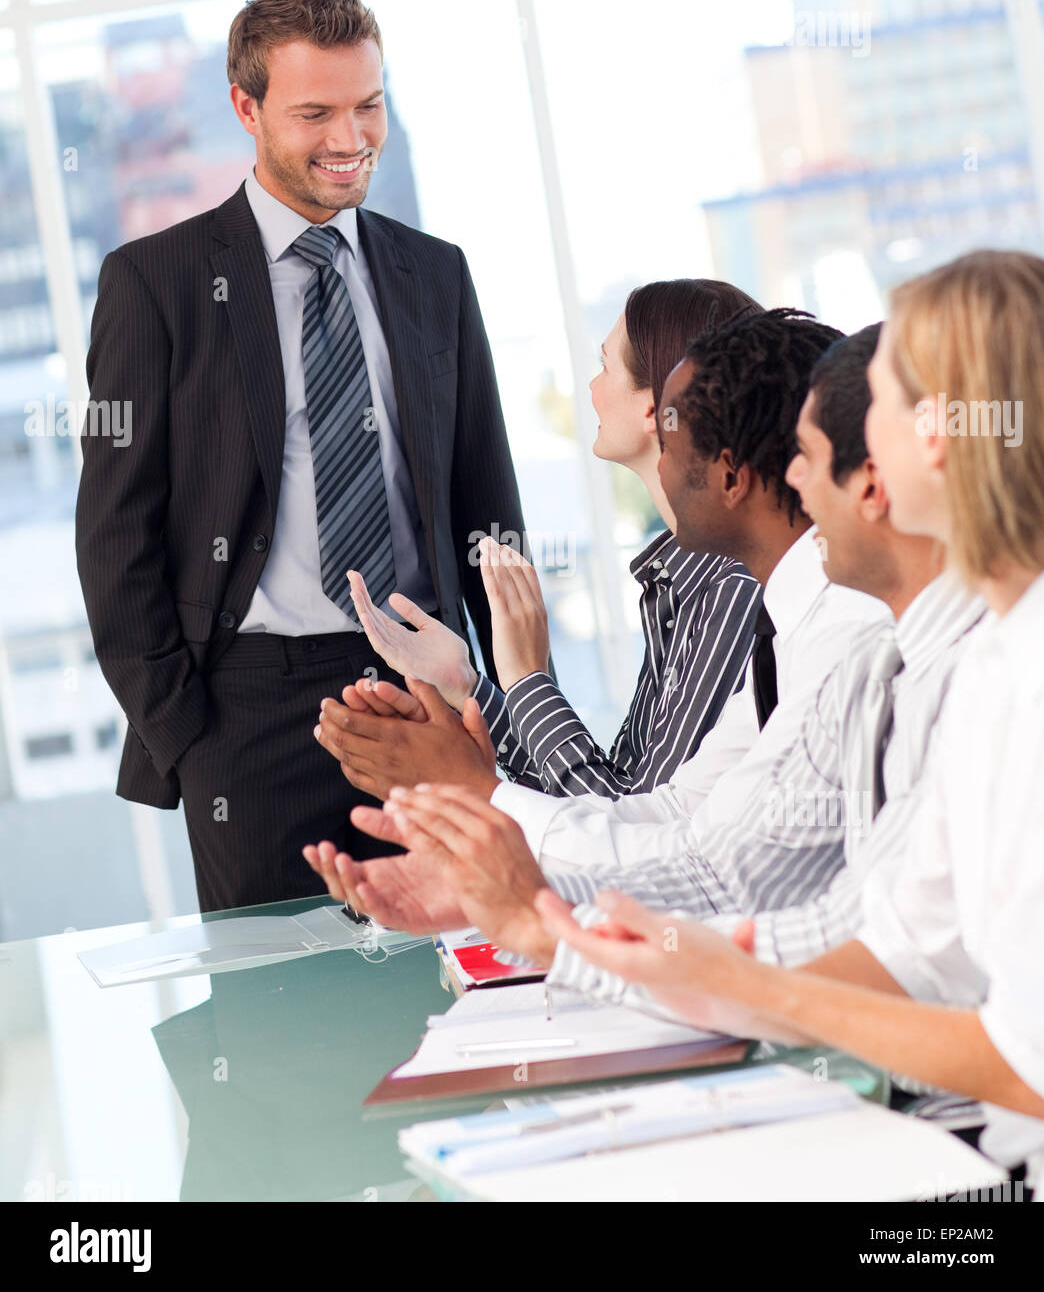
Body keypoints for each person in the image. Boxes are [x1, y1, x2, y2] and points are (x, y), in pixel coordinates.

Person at [535, 250, 1044, 1195]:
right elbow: (890, 938)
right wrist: (581, 942)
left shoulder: (1006, 667)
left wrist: (693, 974)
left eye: (873, 402)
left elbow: (1022, 1065)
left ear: (933, 439)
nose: (812, 460)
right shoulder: (985, 659)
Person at [75, 0, 528, 912]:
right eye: (315, 114)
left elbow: (489, 506)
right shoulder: (154, 283)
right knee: (278, 1014)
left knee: (454, 979)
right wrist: (187, 734)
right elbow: (116, 536)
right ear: (246, 107)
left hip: (428, 694)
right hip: (252, 716)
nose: (350, 139)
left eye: (368, 107)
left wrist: (511, 702)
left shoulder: (434, 275)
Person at [302, 310, 890, 925]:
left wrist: (488, 793)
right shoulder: (761, 618)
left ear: (728, 470)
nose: (663, 460)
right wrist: (475, 733)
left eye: (608, 366)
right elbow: (666, 815)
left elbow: (704, 868)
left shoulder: (808, 623)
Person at [318, 279, 764, 802]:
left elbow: (621, 825)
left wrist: (528, 676)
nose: (592, 388)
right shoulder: (684, 581)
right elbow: (609, 790)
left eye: (604, 367)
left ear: (653, 410)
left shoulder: (732, 590)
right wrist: (466, 684)